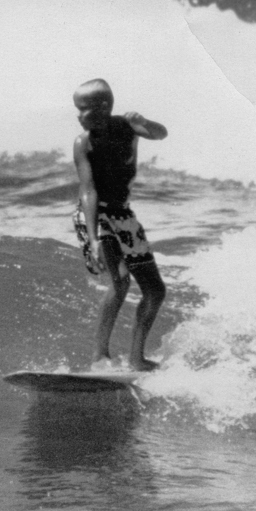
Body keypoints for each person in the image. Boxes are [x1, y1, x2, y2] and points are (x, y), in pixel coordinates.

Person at [71, 79, 168, 372]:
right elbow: (88, 190)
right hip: (95, 216)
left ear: (103, 107)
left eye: (83, 109)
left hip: (123, 215)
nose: (78, 116)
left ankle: (137, 358)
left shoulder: (127, 127)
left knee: (155, 290)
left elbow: (161, 134)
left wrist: (145, 121)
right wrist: (93, 238)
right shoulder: (83, 142)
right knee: (120, 283)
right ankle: (100, 356)